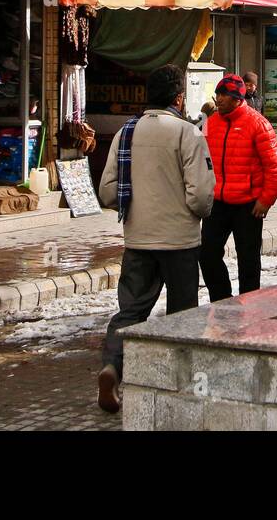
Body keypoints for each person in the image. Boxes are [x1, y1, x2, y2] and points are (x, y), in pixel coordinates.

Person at [97, 64, 214, 413]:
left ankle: (112, 368)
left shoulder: (126, 133)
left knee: (130, 311)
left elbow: (106, 191)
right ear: (179, 97)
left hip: (137, 240)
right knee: (182, 314)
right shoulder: (187, 133)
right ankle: (178, 382)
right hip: (179, 242)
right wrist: (194, 212)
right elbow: (201, 195)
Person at [200, 74, 277, 302]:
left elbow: (274, 166)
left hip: (249, 204)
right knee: (207, 253)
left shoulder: (258, 123)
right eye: (217, 94)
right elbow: (201, 158)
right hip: (217, 202)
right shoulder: (212, 123)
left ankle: (249, 304)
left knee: (248, 259)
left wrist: (266, 199)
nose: (219, 99)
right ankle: (222, 299)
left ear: (237, 98)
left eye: (224, 95)